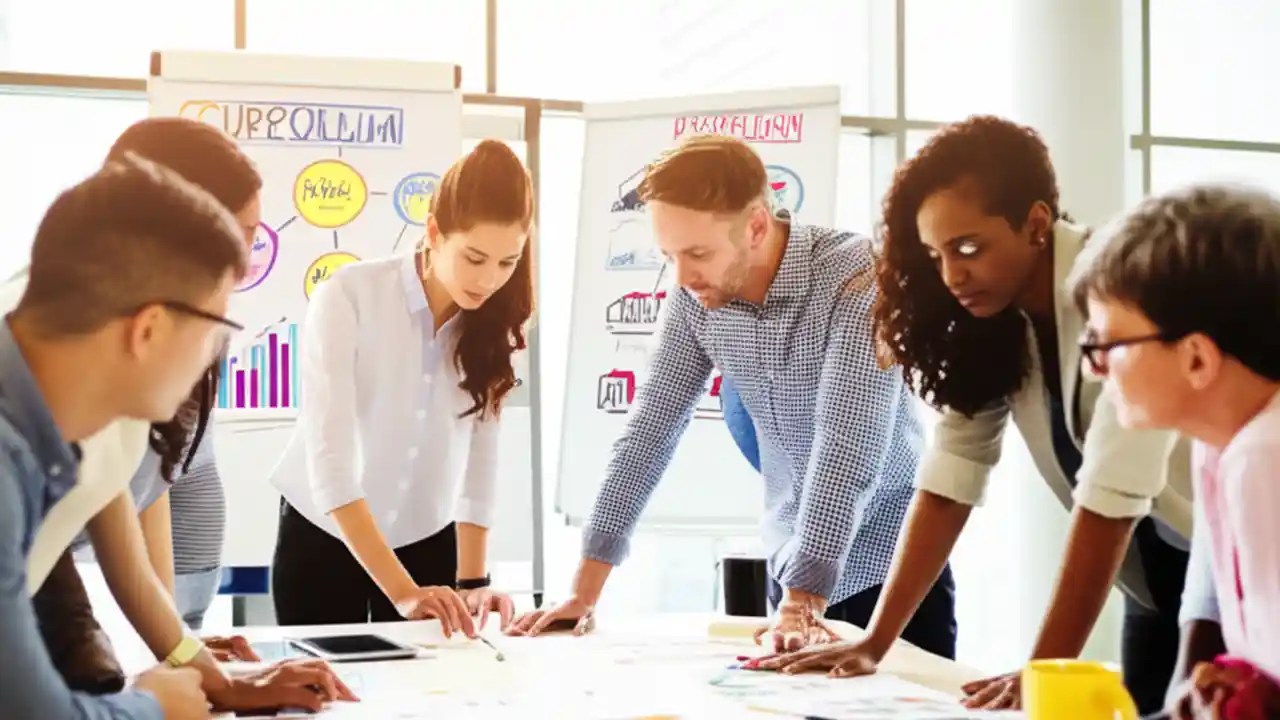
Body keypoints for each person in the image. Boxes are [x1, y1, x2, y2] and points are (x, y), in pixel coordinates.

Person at [751, 116, 1194, 715]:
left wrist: (1040, 672)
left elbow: (1110, 502)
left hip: (1241, 575)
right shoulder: (994, 322)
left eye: (968, 248)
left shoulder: (1123, 294)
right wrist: (875, 644)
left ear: (1036, 224)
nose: (952, 275)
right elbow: (949, 479)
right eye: (935, 255)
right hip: (1159, 592)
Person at [508, 134, 952, 658]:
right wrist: (582, 593)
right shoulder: (696, 297)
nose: (682, 275)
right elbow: (649, 431)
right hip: (791, 573)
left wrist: (805, 601)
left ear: (757, 226)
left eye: (697, 253)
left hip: (890, 573)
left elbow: (847, 447)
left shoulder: (857, 278)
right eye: (670, 255)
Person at [0, 158, 353, 718]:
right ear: (149, 328)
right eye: (216, 324)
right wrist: (150, 706)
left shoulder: (55, 422)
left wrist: (202, 677)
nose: (215, 355)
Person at [269, 140, 531, 633]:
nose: (490, 279)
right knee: (327, 698)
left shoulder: (499, 323)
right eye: (474, 258)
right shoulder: (349, 295)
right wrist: (403, 592)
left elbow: (480, 460)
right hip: (326, 534)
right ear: (434, 232)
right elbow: (331, 464)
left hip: (428, 538)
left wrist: (472, 580)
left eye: (507, 262)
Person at [1067, 183, 1280, 718]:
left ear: (1196, 359)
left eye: (1105, 345)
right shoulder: (1224, 448)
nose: (1095, 369)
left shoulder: (1263, 456)